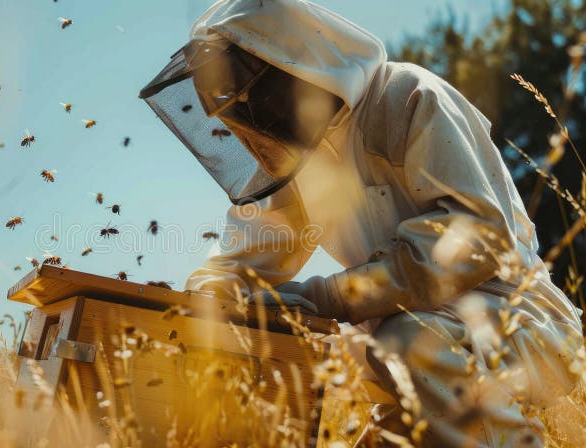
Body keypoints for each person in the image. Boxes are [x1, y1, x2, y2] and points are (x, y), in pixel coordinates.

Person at [139, 0, 583, 446]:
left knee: (410, 339)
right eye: (235, 115)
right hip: (402, 343)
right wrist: (204, 299)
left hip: (523, 325)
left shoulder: (409, 97)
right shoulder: (295, 161)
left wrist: (330, 296)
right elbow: (247, 256)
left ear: (289, 61)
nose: (249, 124)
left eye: (251, 101)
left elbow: (476, 239)